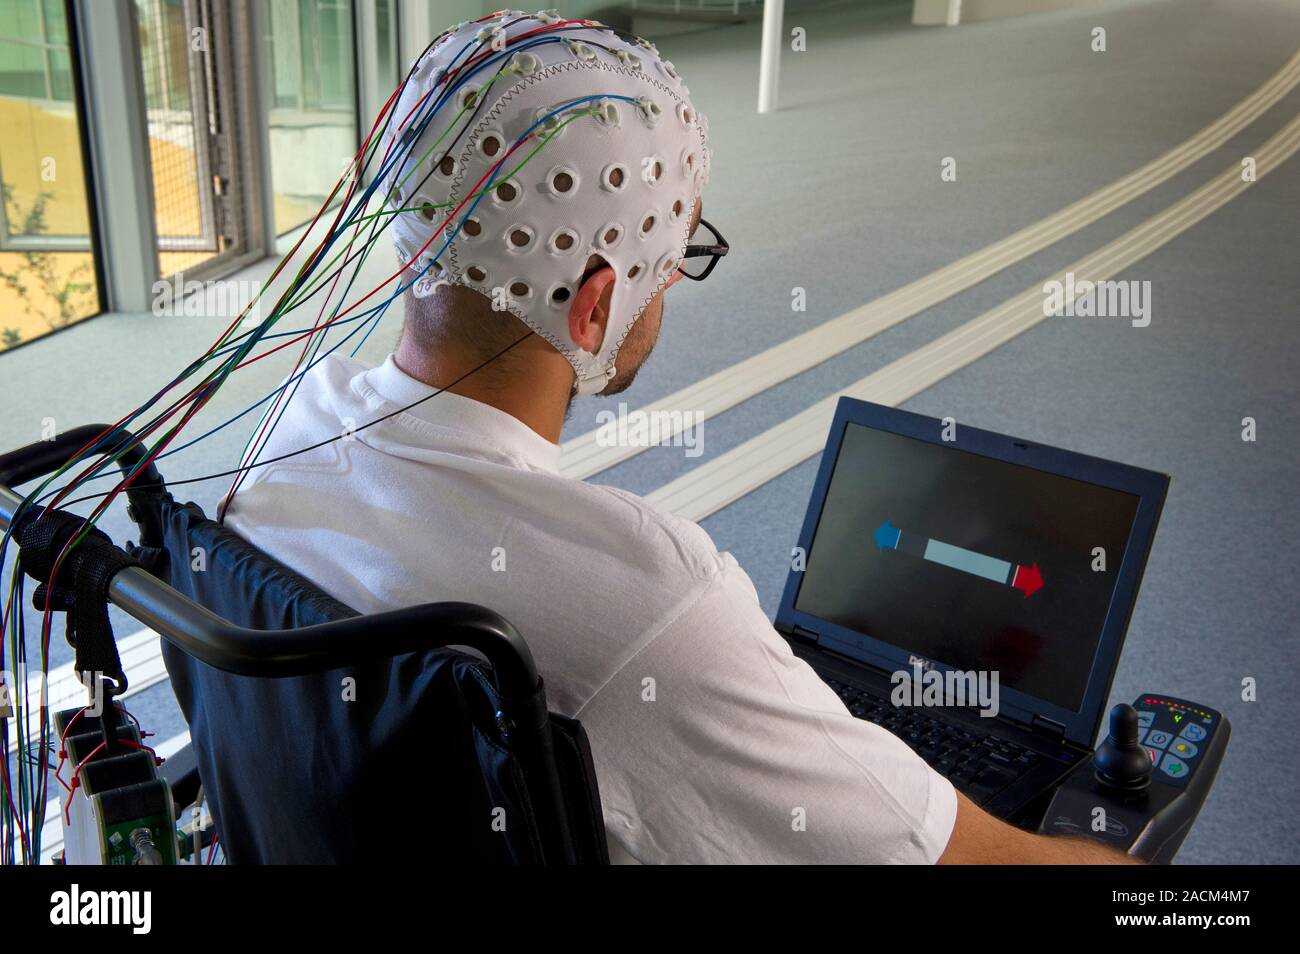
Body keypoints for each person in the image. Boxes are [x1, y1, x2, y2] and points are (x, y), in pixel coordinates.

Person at [225, 11, 1131, 864]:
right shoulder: (648, 602)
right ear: (595, 306)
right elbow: (955, 857)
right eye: (673, 265)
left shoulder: (276, 437)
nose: (671, 295)